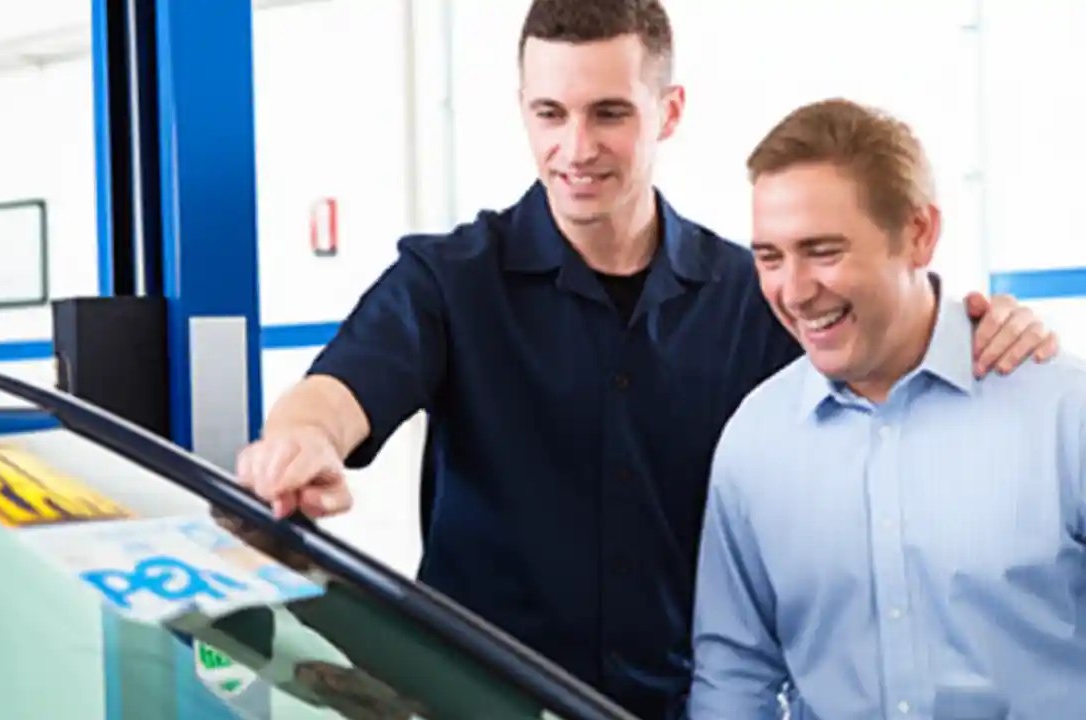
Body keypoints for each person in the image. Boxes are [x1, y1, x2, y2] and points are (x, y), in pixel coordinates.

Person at [235, 1, 1059, 716]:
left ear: (668, 113)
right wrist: (301, 441)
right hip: (482, 702)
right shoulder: (450, 280)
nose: (576, 147)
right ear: (522, 110)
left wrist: (978, 328)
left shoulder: (756, 293)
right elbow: (340, 390)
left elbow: (881, 342)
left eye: (609, 113)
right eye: (549, 114)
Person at [687, 97, 1086, 719]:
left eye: (823, 251)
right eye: (769, 256)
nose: (793, 292)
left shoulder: (1062, 414)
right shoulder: (754, 444)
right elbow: (735, 677)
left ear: (919, 234)